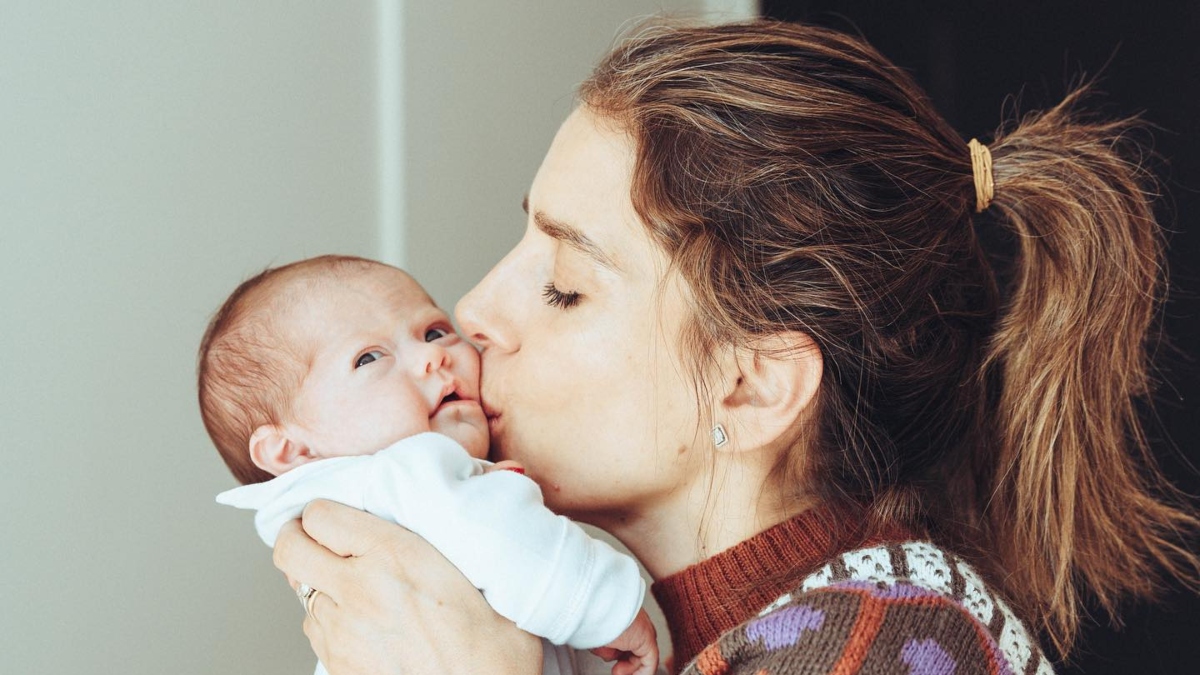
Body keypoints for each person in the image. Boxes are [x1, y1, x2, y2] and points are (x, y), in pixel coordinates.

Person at [271, 19, 1200, 675]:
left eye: (565, 287)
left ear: (754, 385)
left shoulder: (892, 649)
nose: (473, 309)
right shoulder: (629, 627)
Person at [197, 255, 659, 675]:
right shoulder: (404, 473)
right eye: (369, 357)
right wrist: (604, 607)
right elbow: (500, 537)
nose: (433, 356)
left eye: (434, 332)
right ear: (290, 450)